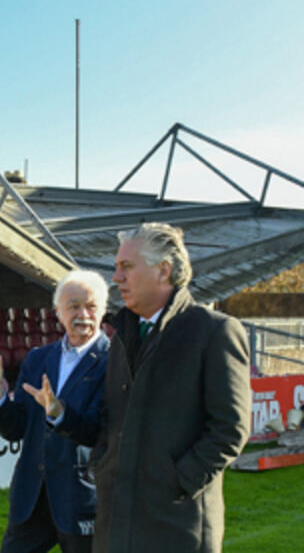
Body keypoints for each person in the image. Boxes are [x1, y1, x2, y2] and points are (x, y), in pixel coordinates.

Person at [64, 222, 250, 552]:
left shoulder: (214, 331)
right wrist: (104, 465)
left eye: (126, 267)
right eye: (117, 267)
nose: (116, 277)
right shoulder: (122, 336)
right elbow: (111, 417)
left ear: (163, 271)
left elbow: (230, 428)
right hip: (115, 523)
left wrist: (176, 481)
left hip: (177, 525)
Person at [0, 269, 110, 553]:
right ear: (58, 312)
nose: (83, 314)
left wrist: (58, 413)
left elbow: (97, 431)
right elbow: (17, 428)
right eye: (74, 306)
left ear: (103, 311)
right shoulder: (38, 358)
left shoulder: (114, 362)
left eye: (91, 306)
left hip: (81, 498)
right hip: (31, 498)